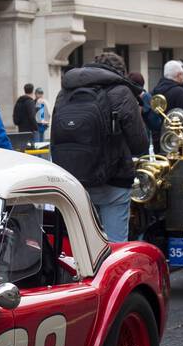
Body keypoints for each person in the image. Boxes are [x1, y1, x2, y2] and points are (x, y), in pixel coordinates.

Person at [50, 50, 148, 242]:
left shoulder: (65, 92)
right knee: (114, 248)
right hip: (114, 180)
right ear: (120, 72)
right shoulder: (121, 91)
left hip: (75, 181)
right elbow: (140, 144)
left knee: (84, 247)